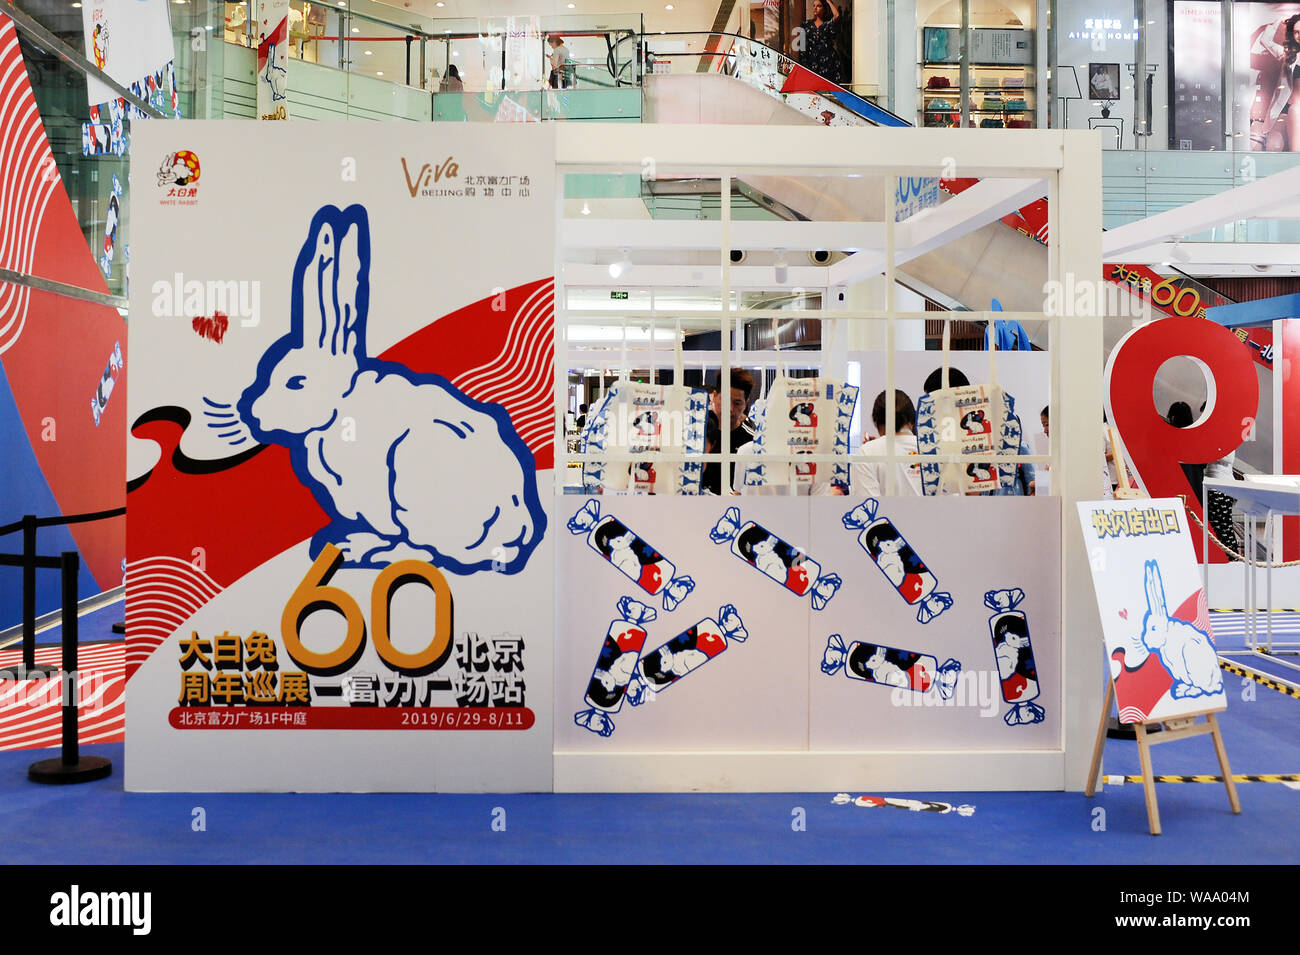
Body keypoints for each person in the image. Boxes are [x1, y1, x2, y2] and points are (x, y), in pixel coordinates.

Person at [832, 388, 923, 497]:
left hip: (886, 514)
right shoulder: (931, 450)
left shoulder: (867, 453)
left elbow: (867, 504)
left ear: (876, 421)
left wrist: (873, 448)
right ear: (912, 420)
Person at [703, 368, 756, 495]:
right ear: (714, 396)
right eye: (725, 400)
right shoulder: (697, 431)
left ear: (745, 404)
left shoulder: (752, 441)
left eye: (737, 403)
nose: (731, 409)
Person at [1201, 401, 1239, 558]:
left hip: (1219, 486)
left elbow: (1226, 457)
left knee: (1221, 527)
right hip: (1218, 484)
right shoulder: (1222, 430)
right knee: (1221, 527)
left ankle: (1231, 558)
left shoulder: (1220, 432)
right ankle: (1231, 558)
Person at [799, 0, 843, 86]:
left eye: (819, 6)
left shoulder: (827, 25)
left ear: (824, 9)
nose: (815, 8)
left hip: (829, 62)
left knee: (829, 90)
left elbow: (837, 15)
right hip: (811, 62)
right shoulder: (806, 25)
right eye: (814, 5)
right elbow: (802, 47)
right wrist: (803, 65)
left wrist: (828, 1)